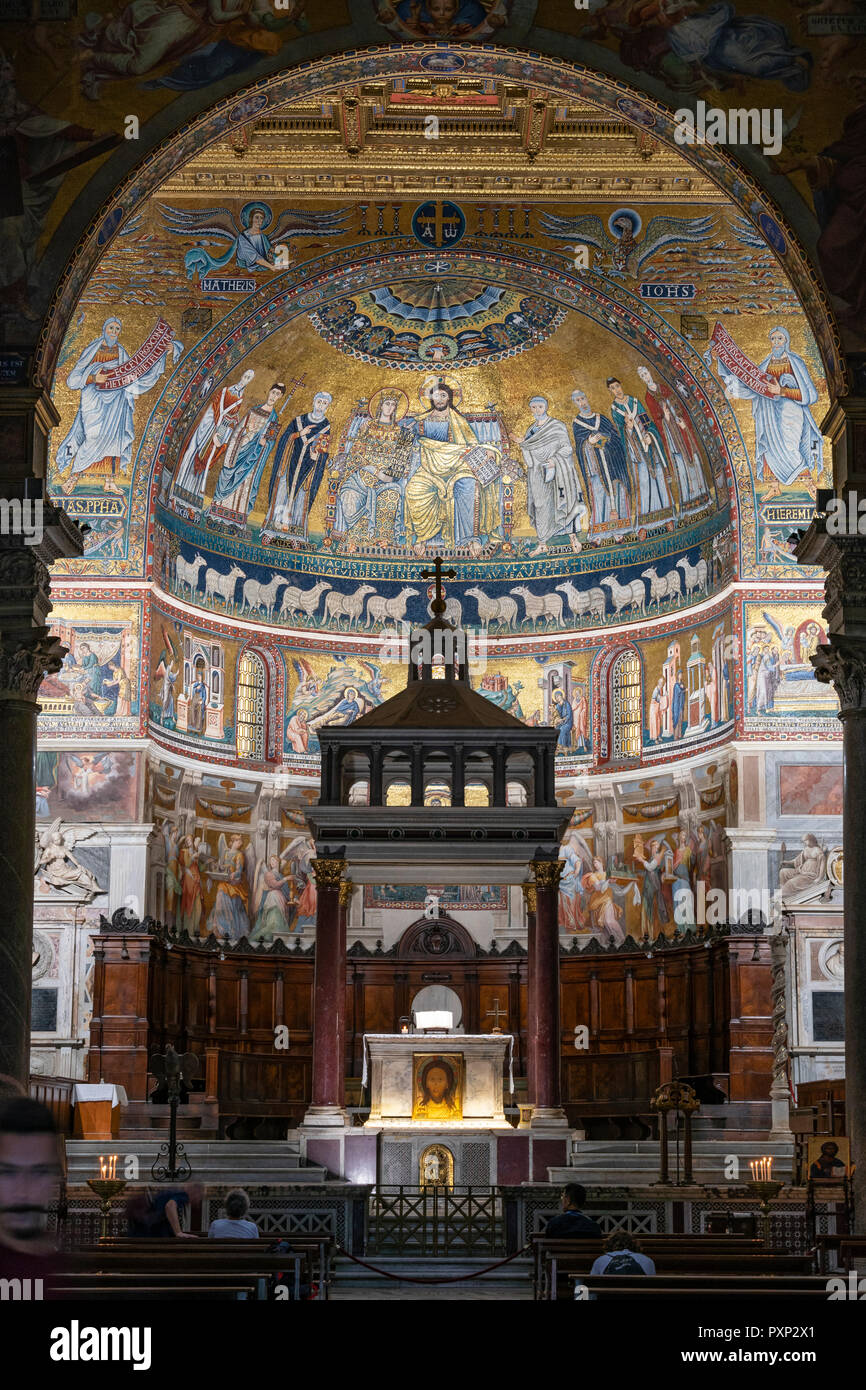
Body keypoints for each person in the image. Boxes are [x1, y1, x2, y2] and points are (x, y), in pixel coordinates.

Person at [0, 1095, 65, 1288]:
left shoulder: (60, 1275)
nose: (23, 1192)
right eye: (9, 1173)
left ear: (54, 1175)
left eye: (39, 1173)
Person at [126, 1184, 199, 1237]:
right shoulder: (183, 1194)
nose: (198, 1201)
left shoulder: (173, 1191)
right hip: (151, 1232)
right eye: (199, 1197)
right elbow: (170, 1206)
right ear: (194, 1192)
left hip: (142, 1231)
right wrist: (178, 1232)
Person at [590, 1231, 656, 1275]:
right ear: (634, 1244)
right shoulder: (646, 1259)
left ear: (609, 1244)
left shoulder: (601, 1260)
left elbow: (592, 1283)